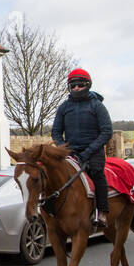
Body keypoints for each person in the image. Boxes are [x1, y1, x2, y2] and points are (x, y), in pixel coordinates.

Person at [51, 68, 112, 227]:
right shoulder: (63, 107)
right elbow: (56, 132)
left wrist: (89, 151)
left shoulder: (97, 106)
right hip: (71, 153)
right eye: (73, 85)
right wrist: (64, 149)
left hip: (93, 153)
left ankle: (102, 212)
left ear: (88, 85)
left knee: (98, 176)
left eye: (80, 85)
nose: (76, 88)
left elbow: (106, 132)